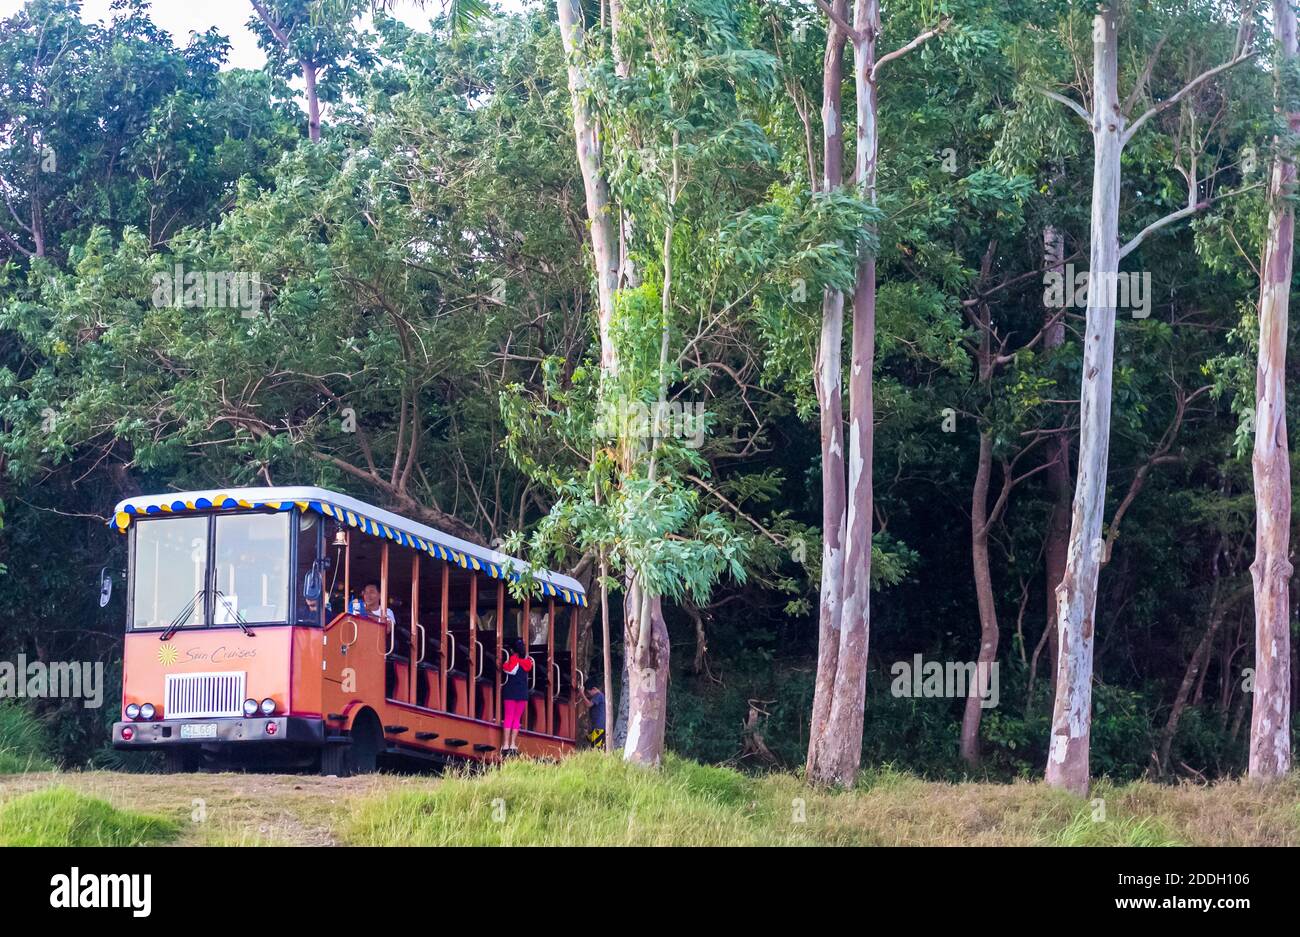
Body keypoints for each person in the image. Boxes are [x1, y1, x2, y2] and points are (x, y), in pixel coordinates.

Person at [500, 638, 533, 755]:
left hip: (510, 692)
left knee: (508, 717)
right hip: (522, 693)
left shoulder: (511, 661)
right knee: (517, 719)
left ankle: (505, 744)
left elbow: (506, 668)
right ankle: (513, 744)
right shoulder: (528, 663)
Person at [581, 680, 606, 750]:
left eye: (589, 693)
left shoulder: (599, 695)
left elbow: (589, 704)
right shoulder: (598, 696)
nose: (589, 695)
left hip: (599, 727)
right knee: (591, 742)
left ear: (594, 689)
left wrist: (582, 694)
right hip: (597, 727)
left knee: (596, 748)